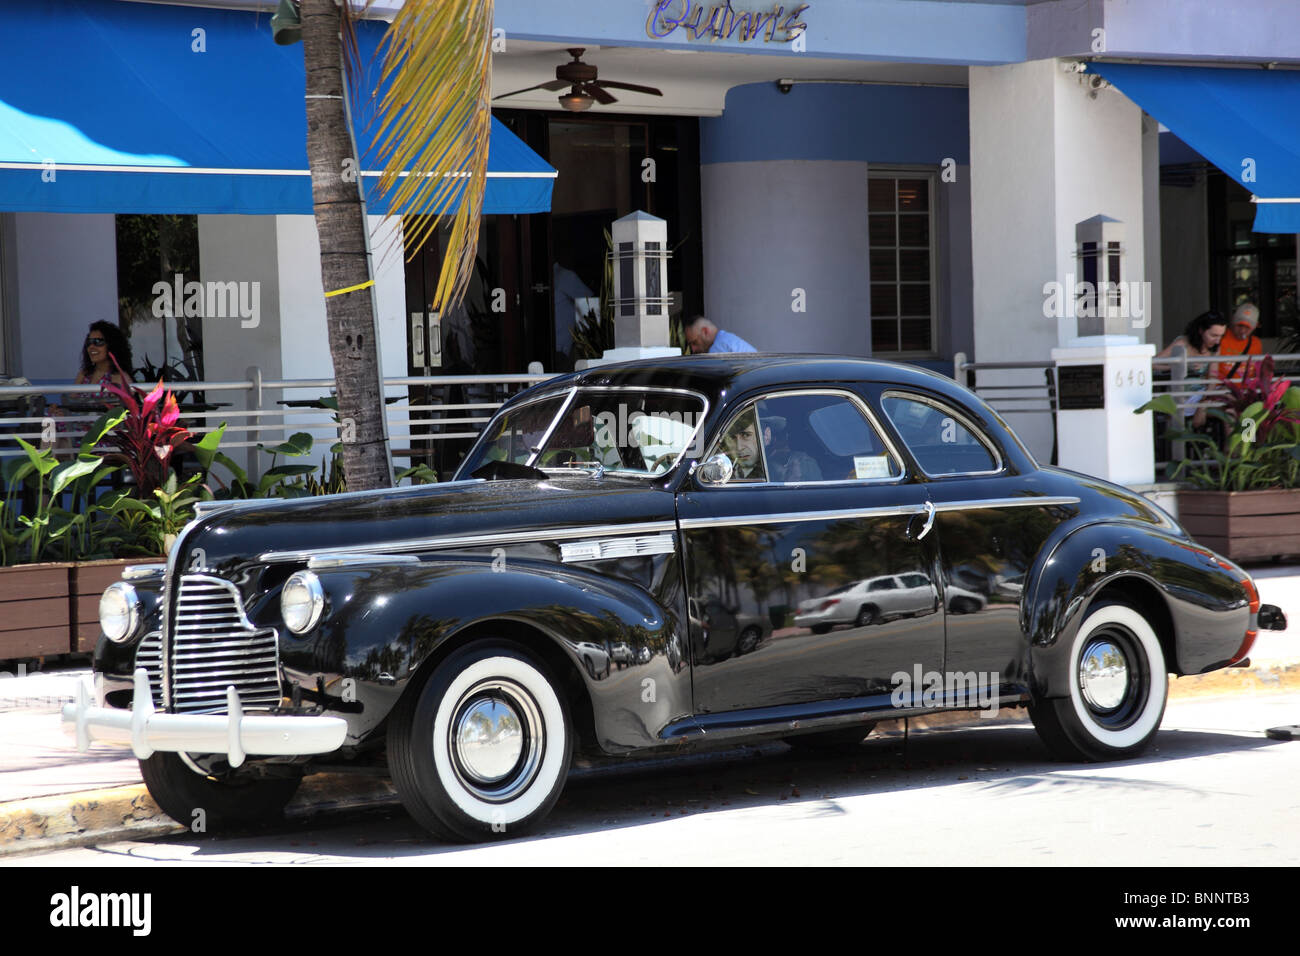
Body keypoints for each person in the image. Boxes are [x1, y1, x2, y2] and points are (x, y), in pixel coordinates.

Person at [1156, 311, 1226, 428]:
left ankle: (1240, 444)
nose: (1218, 341)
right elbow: (1154, 363)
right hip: (1183, 394)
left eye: (1221, 336)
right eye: (1213, 335)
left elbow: (1213, 377)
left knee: (1234, 405)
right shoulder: (1182, 343)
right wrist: (1180, 366)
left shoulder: (1215, 348)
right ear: (1201, 331)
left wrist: (1203, 404)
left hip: (1203, 394)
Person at [1214, 302, 1263, 381]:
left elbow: (1257, 371)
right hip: (1222, 389)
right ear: (1233, 321)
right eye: (1240, 325)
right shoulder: (1221, 336)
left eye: (1247, 327)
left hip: (1246, 391)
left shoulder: (1256, 343)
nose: (1242, 330)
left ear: (1255, 326)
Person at [722, 408, 765, 479]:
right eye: (733, 438)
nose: (739, 447)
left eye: (746, 435)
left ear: (766, 436)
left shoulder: (777, 473)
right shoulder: (722, 469)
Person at [685, 315, 756, 354]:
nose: (693, 349)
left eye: (695, 342)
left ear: (705, 332)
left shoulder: (717, 349)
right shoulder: (726, 339)